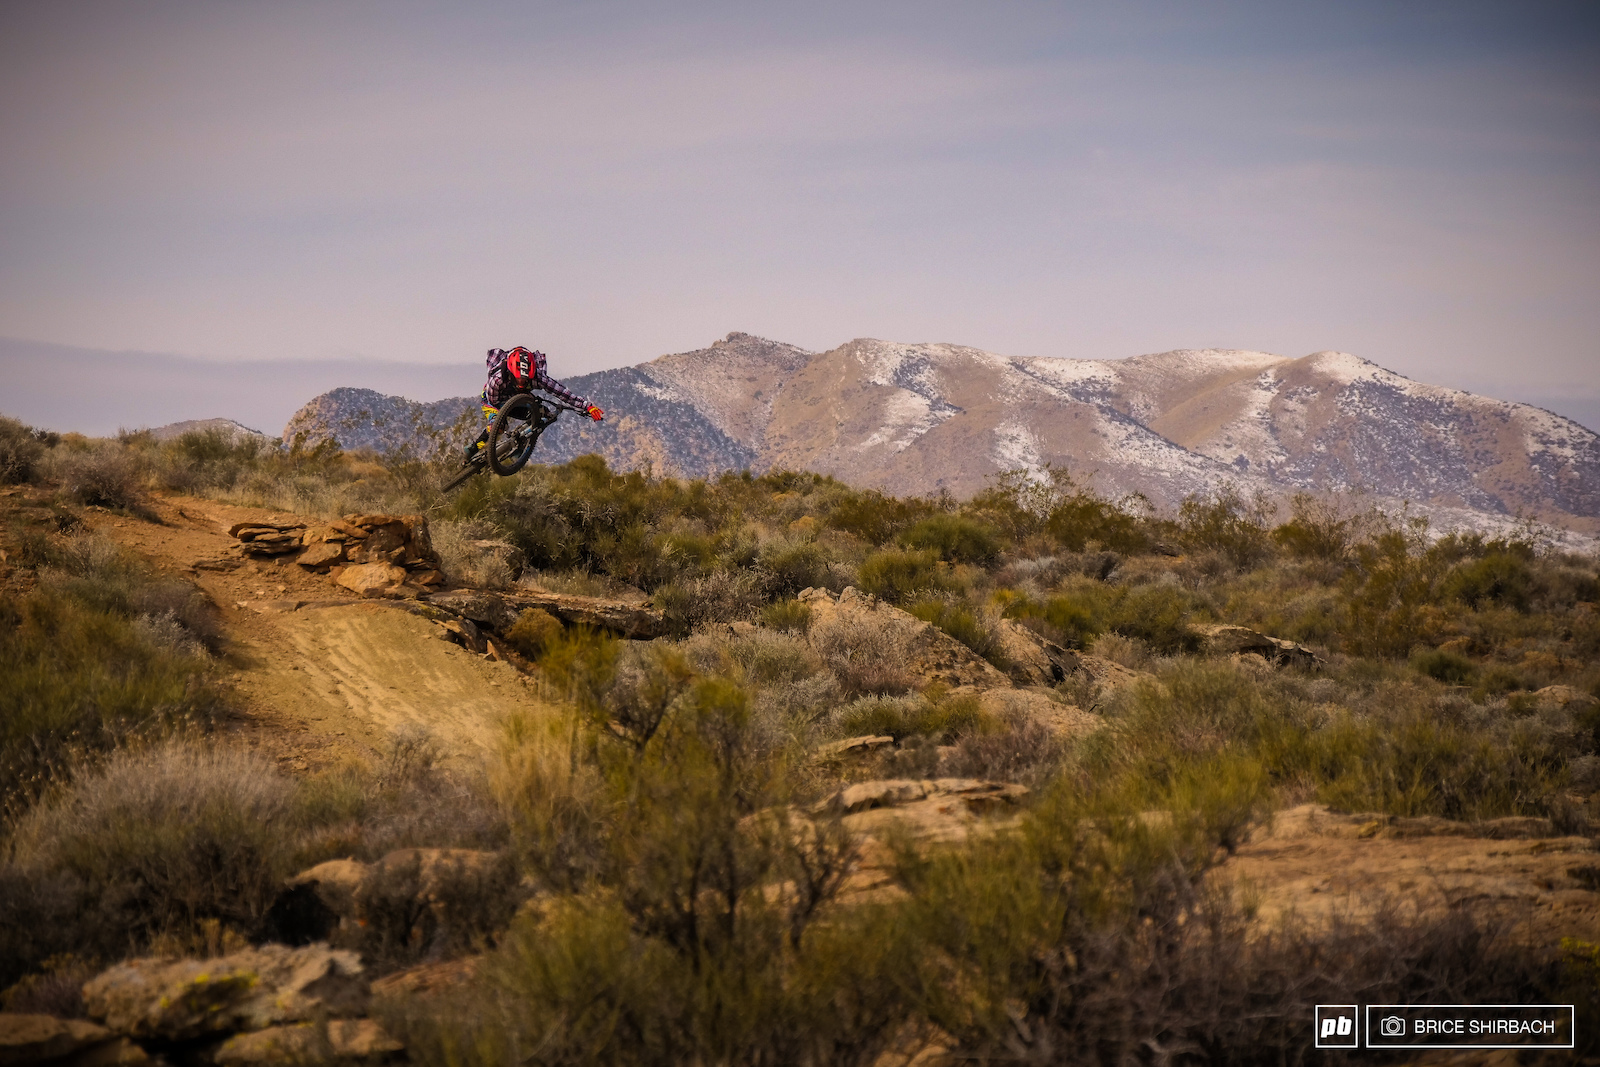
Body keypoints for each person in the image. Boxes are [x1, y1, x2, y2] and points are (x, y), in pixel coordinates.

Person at [466, 346, 603, 462]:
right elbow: (494, 401)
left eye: (525, 380)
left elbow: (562, 393)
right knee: (497, 427)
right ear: (511, 372)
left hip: (517, 399)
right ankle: (474, 447)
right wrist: (499, 420)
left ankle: (521, 445)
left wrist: (587, 406)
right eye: (519, 379)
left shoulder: (538, 378)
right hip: (492, 400)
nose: (522, 382)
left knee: (543, 415)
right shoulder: (497, 380)